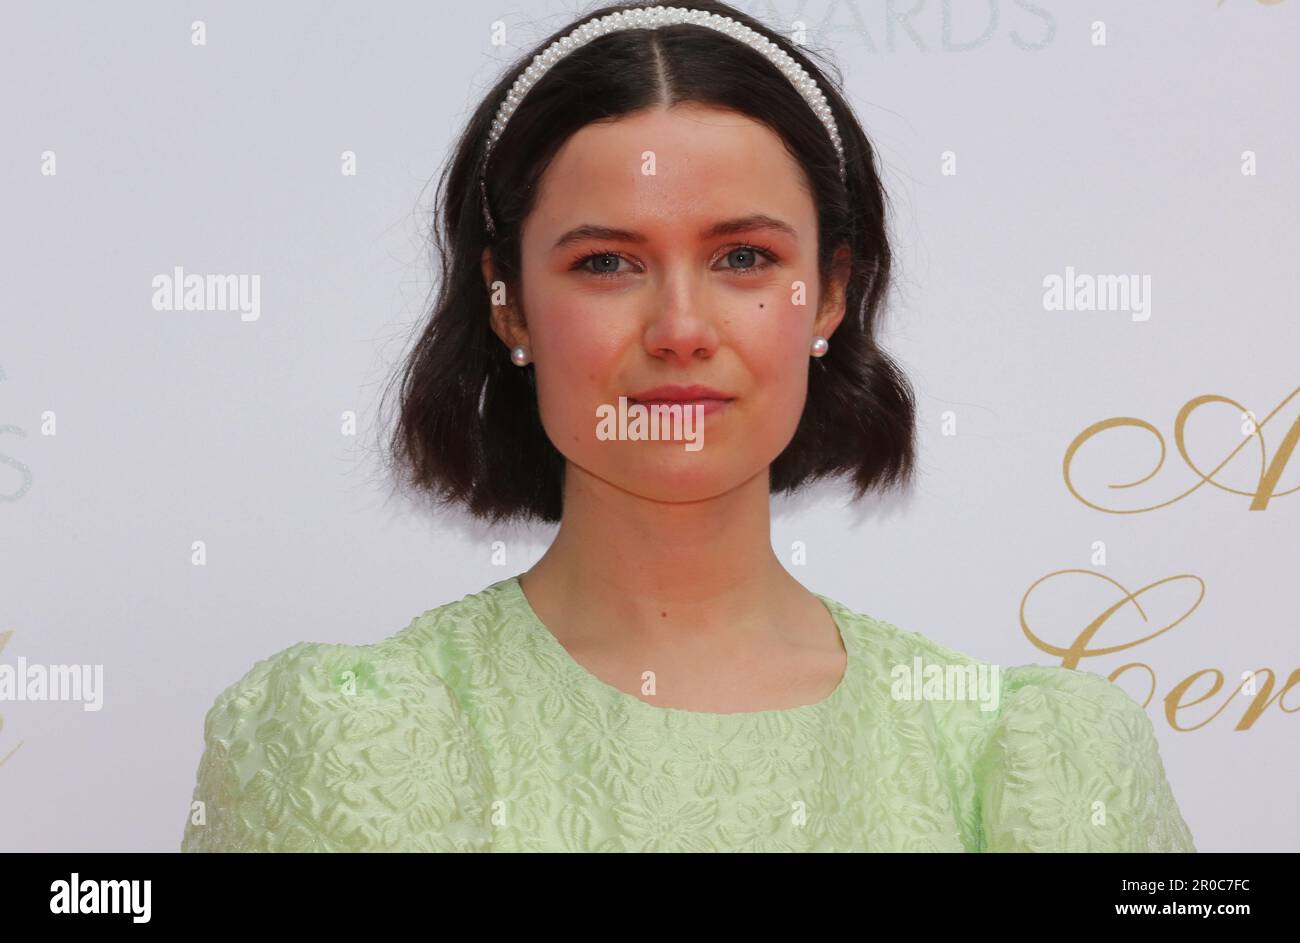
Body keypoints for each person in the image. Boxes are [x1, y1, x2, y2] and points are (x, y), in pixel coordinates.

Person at [181, 0, 1196, 852]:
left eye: (743, 257)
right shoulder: (349, 738)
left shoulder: (1027, 762)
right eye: (607, 262)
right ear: (509, 304)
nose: (678, 330)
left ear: (831, 292)